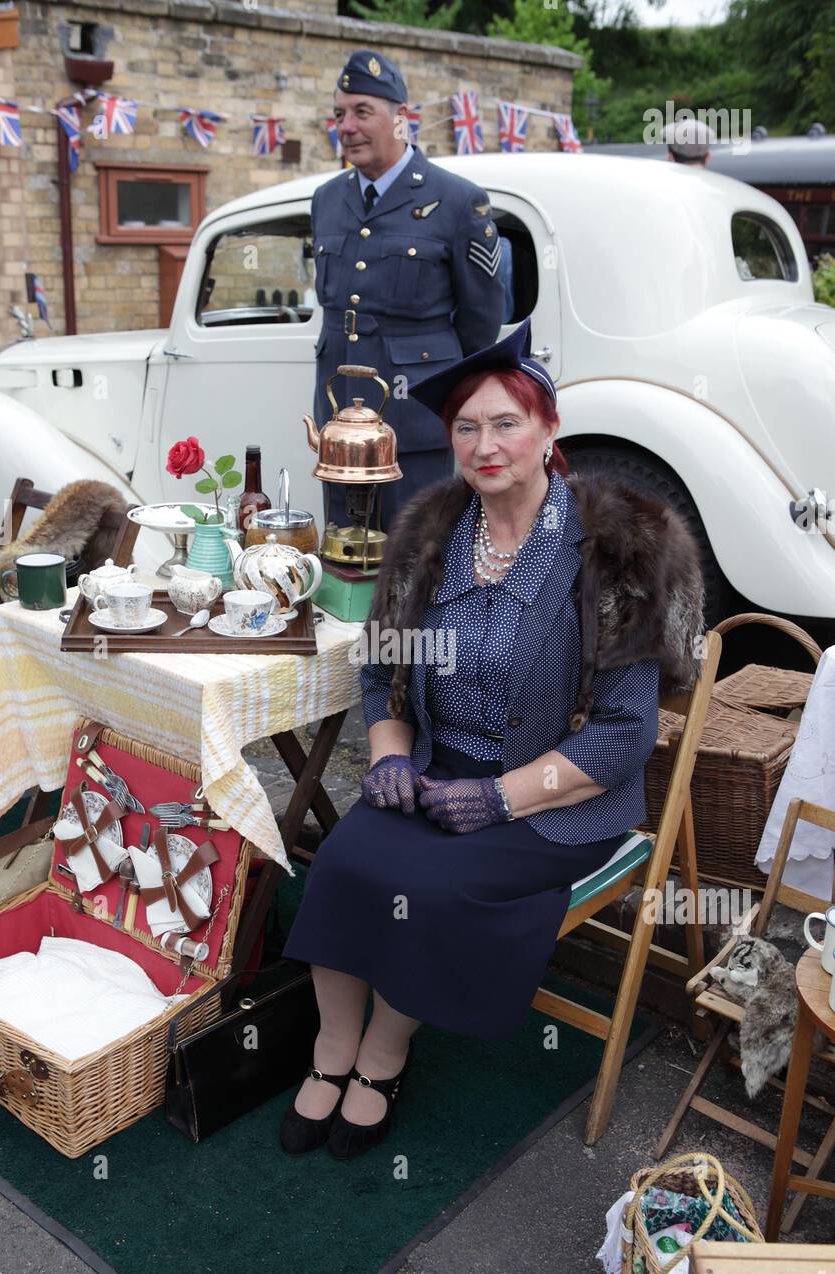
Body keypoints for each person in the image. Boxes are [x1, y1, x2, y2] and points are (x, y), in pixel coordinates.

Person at [280, 317, 705, 1160]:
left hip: (556, 795)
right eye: (467, 427)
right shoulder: (429, 538)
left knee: (435, 889)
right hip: (438, 767)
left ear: (549, 431)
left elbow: (624, 738)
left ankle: (383, 1055)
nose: (486, 444)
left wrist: (500, 796)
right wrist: (395, 755)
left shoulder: (618, 552)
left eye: (506, 422)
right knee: (344, 861)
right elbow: (382, 677)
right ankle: (331, 1049)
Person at [311, 48, 505, 531]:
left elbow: (481, 322)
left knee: (417, 554)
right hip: (340, 414)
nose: (347, 126)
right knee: (343, 551)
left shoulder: (457, 200)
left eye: (362, 111)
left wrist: (448, 399)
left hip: (411, 417)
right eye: (339, 113)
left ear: (402, 119)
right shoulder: (327, 199)